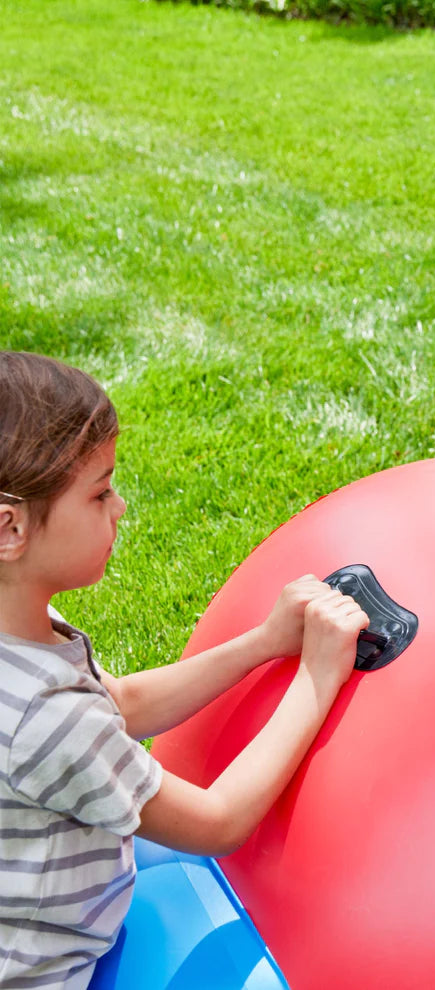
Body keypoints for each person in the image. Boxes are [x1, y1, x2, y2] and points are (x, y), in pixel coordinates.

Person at [0, 351, 369, 988]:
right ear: (9, 529)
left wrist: (263, 642)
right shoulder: (48, 716)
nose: (119, 508)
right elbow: (218, 821)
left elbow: (120, 704)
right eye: (99, 492)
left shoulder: (22, 640)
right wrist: (317, 675)